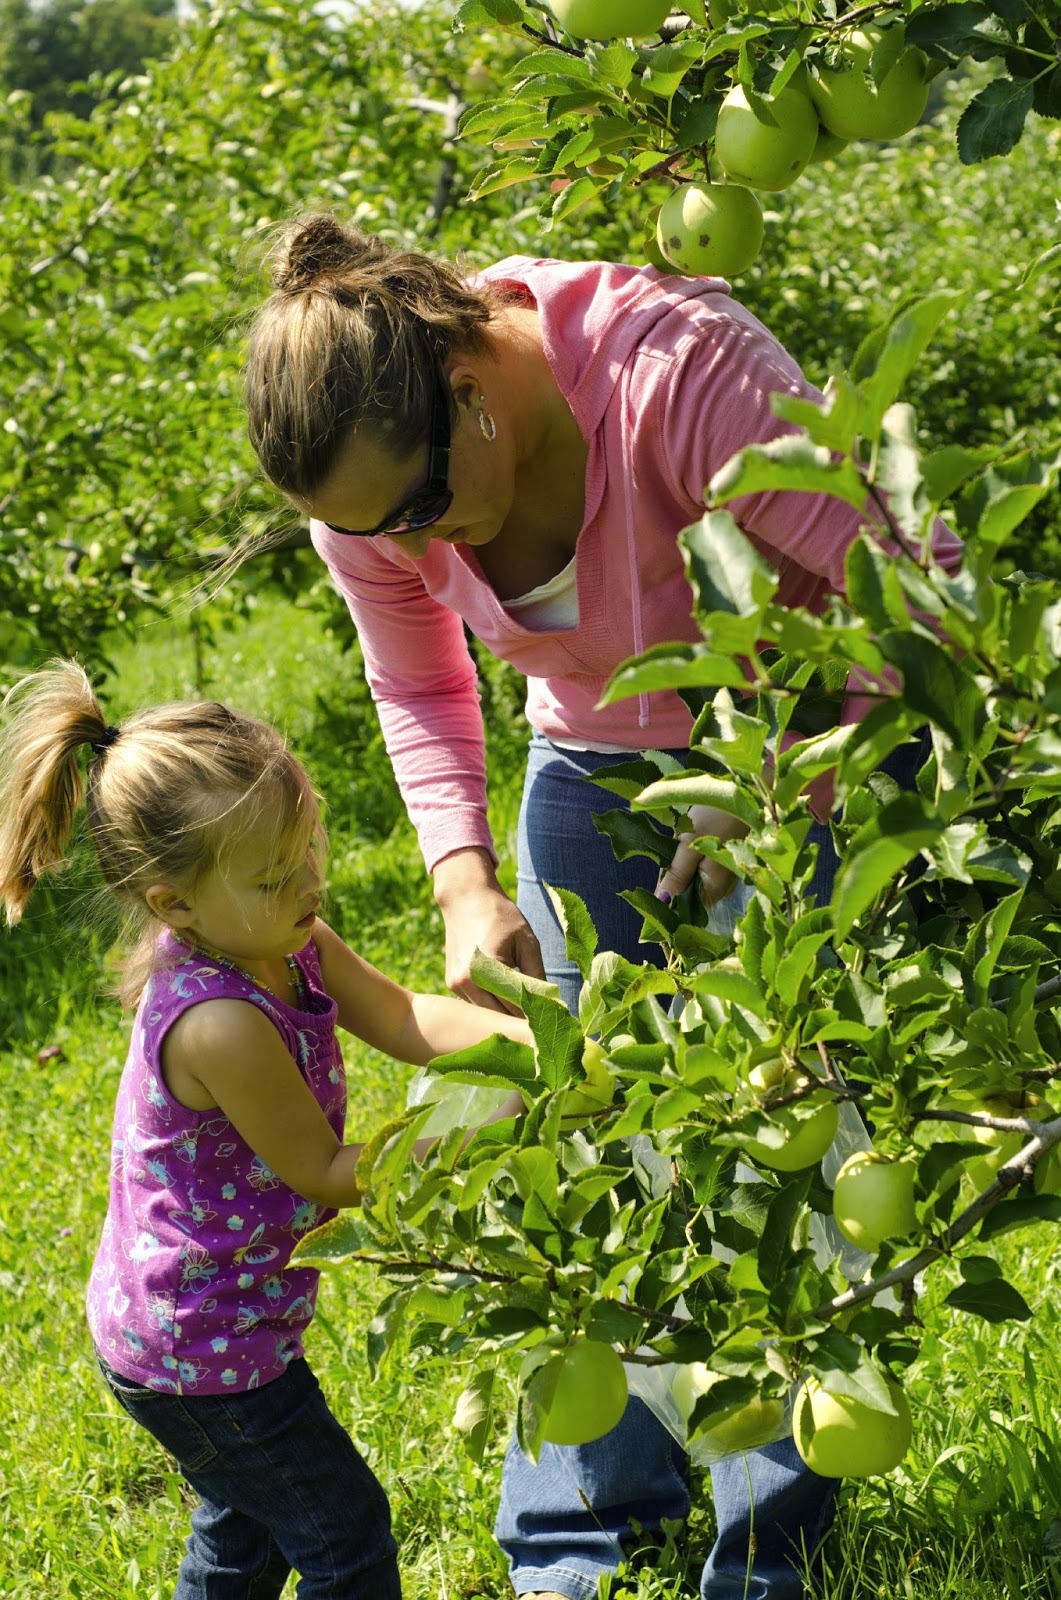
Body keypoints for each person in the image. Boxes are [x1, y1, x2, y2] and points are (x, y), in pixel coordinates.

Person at [241, 214, 962, 1600]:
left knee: (775, 1131)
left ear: (469, 390)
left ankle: (765, 1551)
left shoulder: (677, 374)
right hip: (587, 766)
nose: (404, 546)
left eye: (411, 511)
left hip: (792, 741)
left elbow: (902, 600)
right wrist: (460, 879)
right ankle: (581, 1541)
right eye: (367, 532)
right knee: (591, 1136)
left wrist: (764, 779)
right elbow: (421, 685)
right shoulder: (374, 493)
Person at [0, 659, 529, 1600]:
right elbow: (325, 1171)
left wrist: (534, 1044)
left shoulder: (289, 940)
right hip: (197, 1349)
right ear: (175, 904)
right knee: (344, 1534)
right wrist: (478, 1132)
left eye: (308, 852)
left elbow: (407, 1016)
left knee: (248, 1530)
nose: (310, 884)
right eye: (279, 874)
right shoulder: (221, 1023)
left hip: (213, 1327)